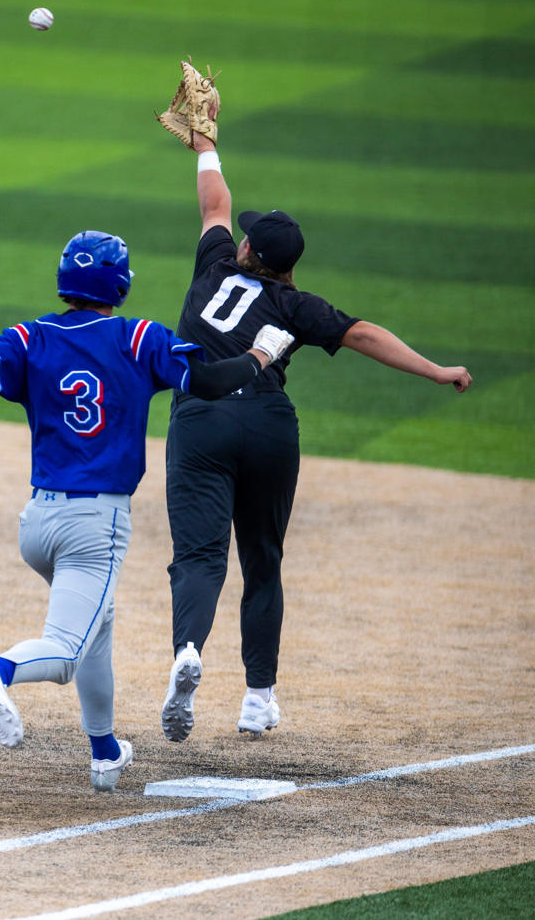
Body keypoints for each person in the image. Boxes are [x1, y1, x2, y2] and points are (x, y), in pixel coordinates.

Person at [0, 229, 290, 791]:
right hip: (94, 527)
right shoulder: (138, 337)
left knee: (97, 626)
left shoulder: (31, 337)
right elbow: (211, 382)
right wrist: (260, 355)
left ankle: (105, 751)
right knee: (68, 649)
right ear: (120, 285)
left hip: (39, 524)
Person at [160, 109, 473, 744]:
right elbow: (361, 334)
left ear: (248, 251)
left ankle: (189, 650)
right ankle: (258, 699)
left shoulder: (214, 268)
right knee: (263, 562)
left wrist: (206, 143)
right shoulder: (297, 306)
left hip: (202, 422)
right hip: (271, 425)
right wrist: (436, 371)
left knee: (199, 557)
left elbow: (215, 205)